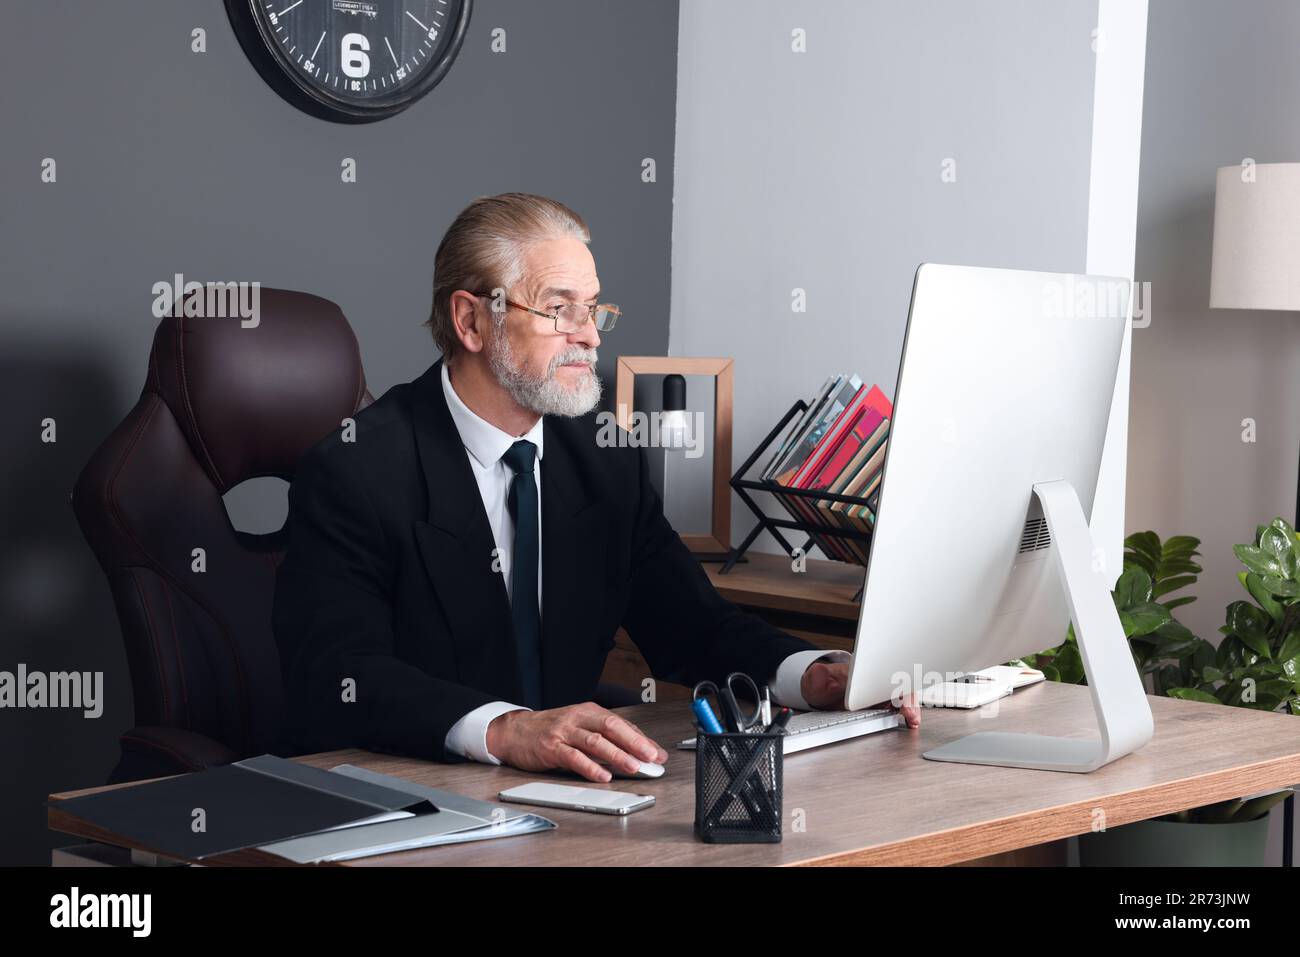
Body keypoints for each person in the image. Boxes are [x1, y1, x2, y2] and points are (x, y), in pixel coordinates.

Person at [273, 192, 919, 782]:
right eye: (559, 309)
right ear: (471, 322)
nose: (590, 335)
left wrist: (813, 675)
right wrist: (504, 727)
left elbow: (692, 624)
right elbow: (338, 675)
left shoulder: (603, 457)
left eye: (594, 309)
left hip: (570, 807)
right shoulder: (356, 471)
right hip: (411, 800)